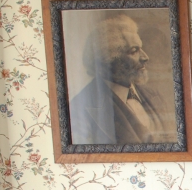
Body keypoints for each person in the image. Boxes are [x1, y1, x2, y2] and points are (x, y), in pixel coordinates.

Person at [69, 14, 176, 145]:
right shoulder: (81, 107)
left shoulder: (154, 96)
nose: (145, 57)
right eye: (133, 51)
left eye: (140, 48)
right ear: (109, 59)